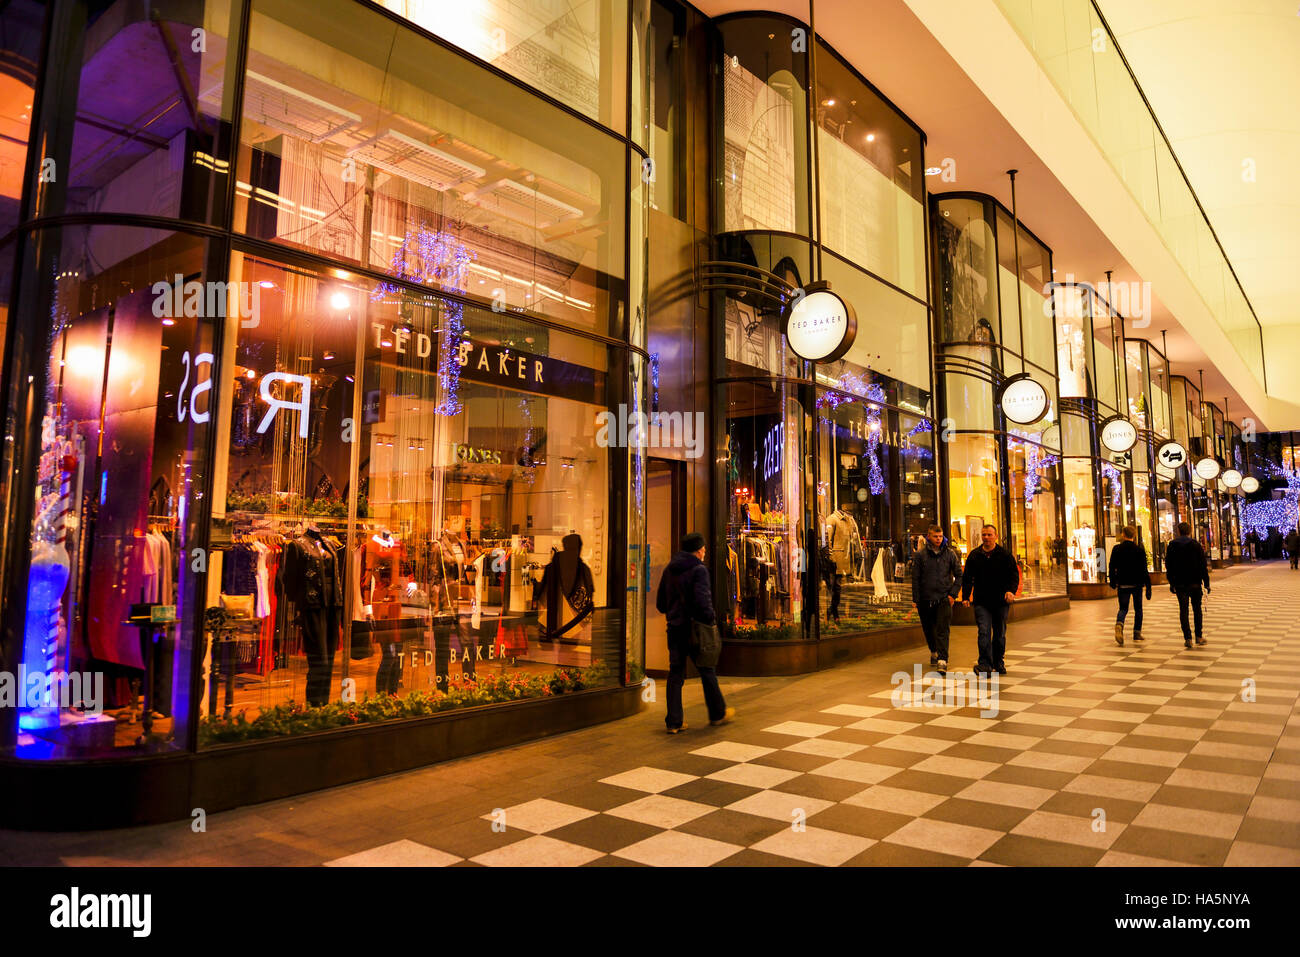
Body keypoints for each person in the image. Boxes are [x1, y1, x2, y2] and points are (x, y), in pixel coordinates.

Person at [655, 532, 734, 734]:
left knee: (675, 674)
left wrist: (674, 613)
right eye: (704, 548)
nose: (705, 551)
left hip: (674, 628)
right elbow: (703, 601)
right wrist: (710, 621)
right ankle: (718, 714)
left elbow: (660, 604)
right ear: (698, 550)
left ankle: (674, 722)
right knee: (707, 670)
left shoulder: (669, 570)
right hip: (696, 629)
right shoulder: (699, 570)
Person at [961, 524, 1020, 676]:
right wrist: (966, 597)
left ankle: (998, 662)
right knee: (984, 632)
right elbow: (967, 578)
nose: (986, 537)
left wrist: (1010, 591)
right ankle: (985, 664)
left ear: (996, 536)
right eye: (984, 535)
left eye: (989, 535)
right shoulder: (974, 555)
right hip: (981, 601)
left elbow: (1014, 575)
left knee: (999, 634)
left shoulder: (1005, 555)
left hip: (1001, 602)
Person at [911, 524, 962, 674]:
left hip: (943, 598)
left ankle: (942, 659)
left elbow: (959, 575)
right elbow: (916, 578)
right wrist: (916, 598)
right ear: (929, 536)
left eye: (940, 536)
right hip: (925, 599)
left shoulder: (950, 554)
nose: (938, 539)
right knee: (928, 629)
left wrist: (953, 594)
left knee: (942, 629)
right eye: (935, 536)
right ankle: (933, 651)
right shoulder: (921, 555)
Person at [1165, 521, 1210, 649]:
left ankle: (1188, 638)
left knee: (1183, 610)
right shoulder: (1195, 545)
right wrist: (1206, 583)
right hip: (1195, 582)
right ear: (1189, 531)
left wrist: (1171, 582)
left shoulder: (1172, 545)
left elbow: (1169, 564)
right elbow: (1203, 565)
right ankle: (1199, 636)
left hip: (1180, 583)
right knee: (1197, 609)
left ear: (1178, 531)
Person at [1108, 525, 1151, 645]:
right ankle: (1137, 633)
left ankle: (1119, 623)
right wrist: (1148, 587)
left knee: (1123, 608)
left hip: (1123, 583)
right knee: (1138, 609)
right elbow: (1144, 570)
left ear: (1123, 534)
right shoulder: (1139, 550)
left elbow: (1112, 566)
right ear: (1134, 536)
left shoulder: (1117, 549)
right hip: (1137, 584)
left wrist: (1112, 581)